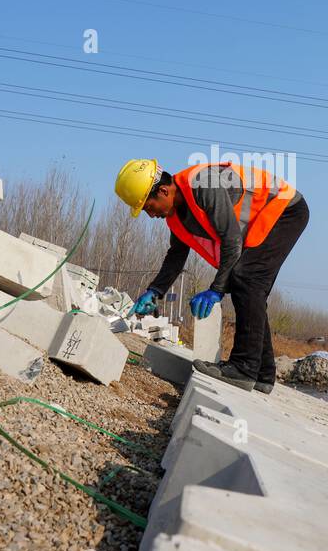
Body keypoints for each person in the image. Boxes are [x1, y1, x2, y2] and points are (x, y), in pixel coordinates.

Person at [114, 158, 309, 393]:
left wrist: (216, 290)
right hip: (268, 220)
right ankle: (262, 374)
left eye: (148, 206)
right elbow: (176, 255)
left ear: (164, 191)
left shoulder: (203, 184)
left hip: (285, 210)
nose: (149, 214)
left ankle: (244, 369)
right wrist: (155, 290)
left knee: (246, 279)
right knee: (249, 288)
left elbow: (232, 241)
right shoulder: (175, 217)